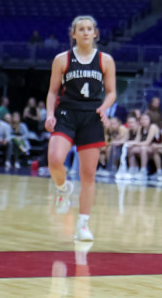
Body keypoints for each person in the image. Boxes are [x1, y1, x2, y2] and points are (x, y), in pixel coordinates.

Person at [45, 16, 117, 243]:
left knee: (88, 175)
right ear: (73, 34)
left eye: (89, 29)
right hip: (66, 114)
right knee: (55, 159)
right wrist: (49, 114)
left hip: (92, 117)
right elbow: (52, 92)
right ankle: (62, 187)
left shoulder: (105, 60)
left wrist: (105, 108)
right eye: (81, 29)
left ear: (95, 33)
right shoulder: (61, 59)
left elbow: (112, 92)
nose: (85, 32)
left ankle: (83, 224)